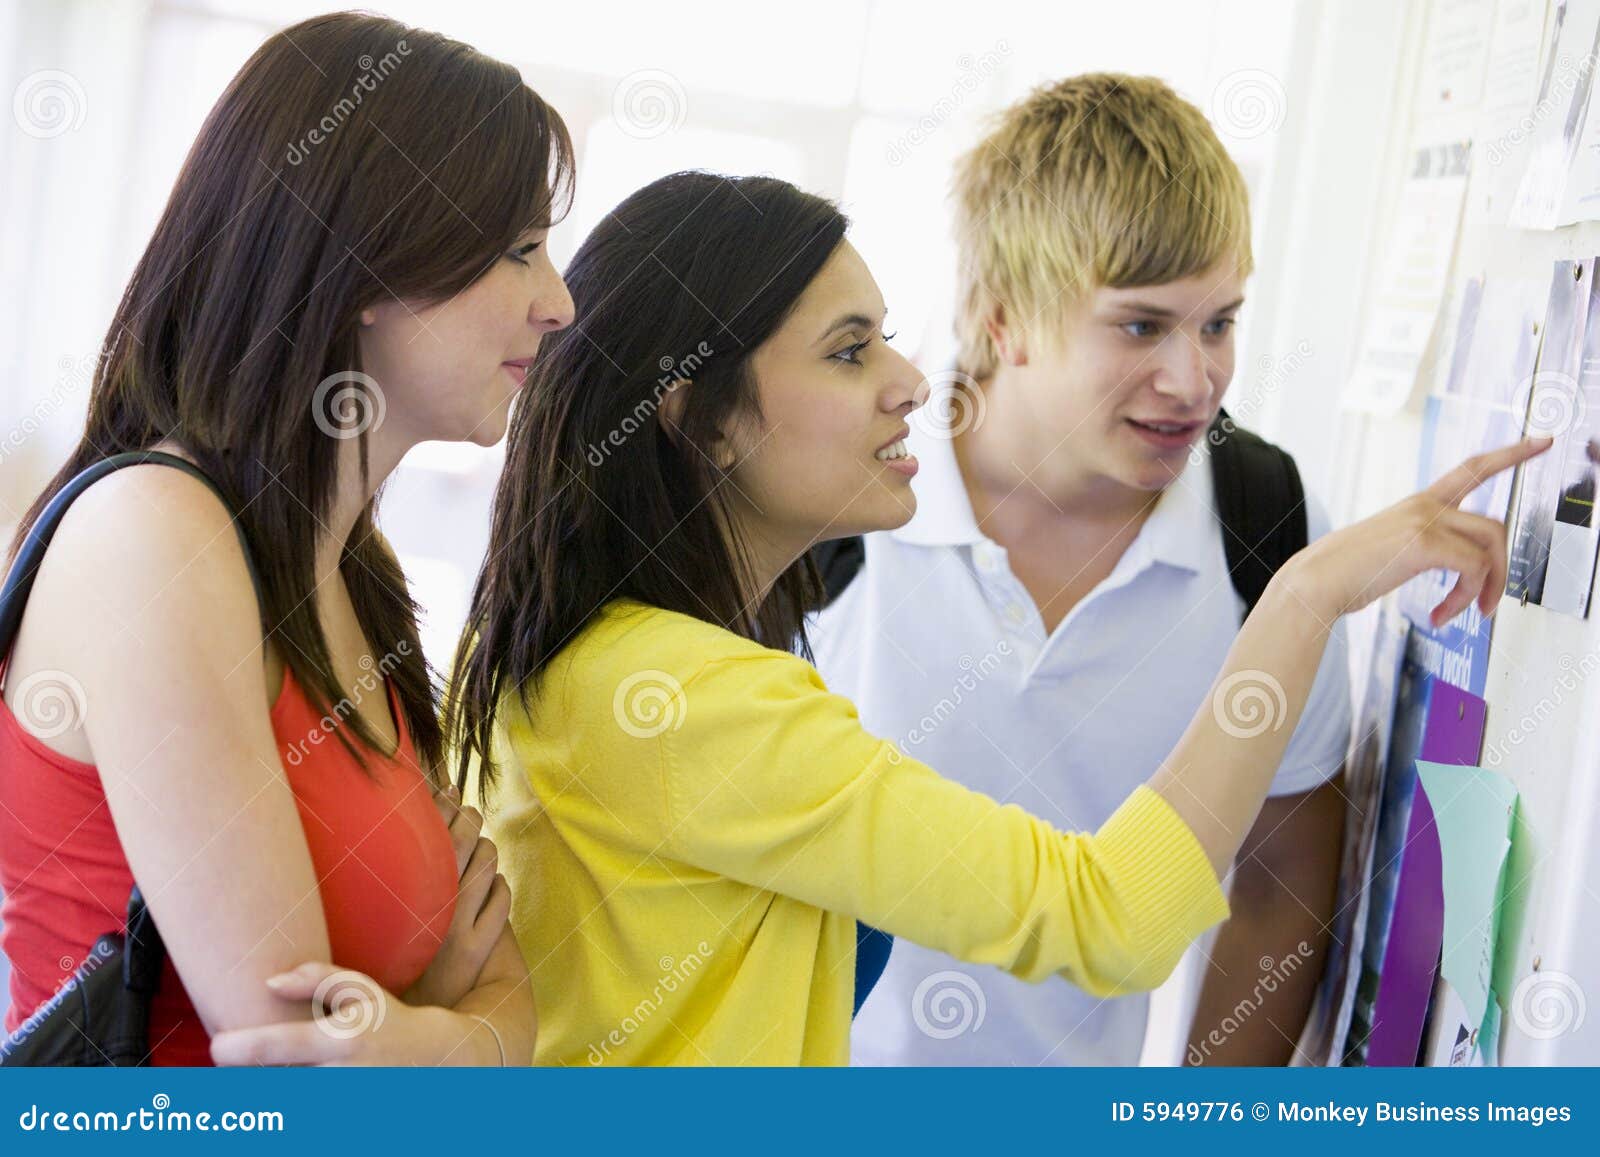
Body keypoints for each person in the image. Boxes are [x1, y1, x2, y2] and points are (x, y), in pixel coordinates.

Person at [447, 168, 1544, 1066]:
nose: (911, 380)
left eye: (1219, 323)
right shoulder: (687, 699)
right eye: (848, 350)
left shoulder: (619, 661)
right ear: (700, 420)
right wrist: (1305, 599)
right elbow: (1109, 918)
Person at [0, 11, 574, 1066]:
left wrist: (424, 1034)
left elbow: (505, 998)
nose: (559, 302)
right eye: (519, 251)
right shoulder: (154, 533)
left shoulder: (358, 580)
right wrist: (442, 1028)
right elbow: (296, 1059)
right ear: (365, 265)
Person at [809, 72, 1349, 1066]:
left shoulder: (1262, 521)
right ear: (1003, 316)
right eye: (1141, 326)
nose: (1193, 380)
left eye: (1219, 322)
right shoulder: (831, 498)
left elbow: (1278, 884)